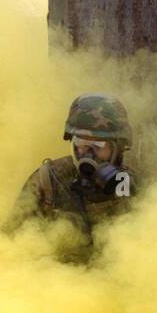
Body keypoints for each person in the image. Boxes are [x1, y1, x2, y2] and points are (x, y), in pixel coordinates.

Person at [16, 93, 137, 252]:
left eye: (98, 146)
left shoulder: (131, 184)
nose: (87, 154)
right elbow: (11, 243)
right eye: (80, 144)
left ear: (119, 148)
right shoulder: (47, 180)